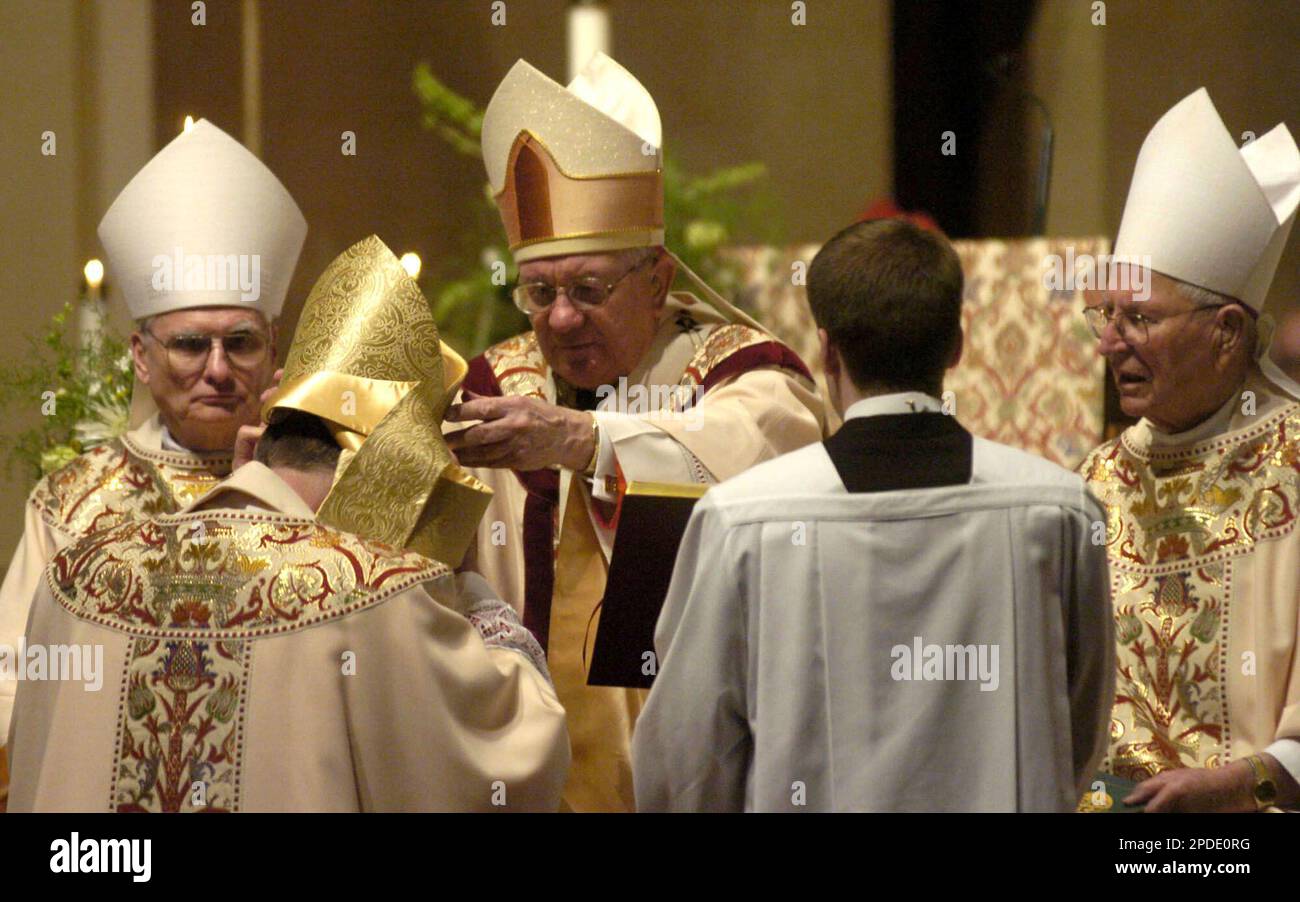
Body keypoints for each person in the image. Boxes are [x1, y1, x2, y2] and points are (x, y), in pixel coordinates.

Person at [4, 236, 568, 812]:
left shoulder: (77, 575)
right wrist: (468, 592)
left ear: (264, 444)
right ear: (384, 473)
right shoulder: (372, 592)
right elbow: (513, 762)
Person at [444, 53, 827, 812]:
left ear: (656, 279)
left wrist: (587, 441)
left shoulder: (738, 370)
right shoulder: (495, 391)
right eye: (539, 291)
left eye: (588, 289)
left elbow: (768, 449)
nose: (559, 317)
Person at [631, 218, 1114, 812]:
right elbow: (1080, 728)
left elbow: (686, 755)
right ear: (957, 343)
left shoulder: (741, 521)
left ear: (827, 349)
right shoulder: (1060, 509)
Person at [0, 119, 305, 803]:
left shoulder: (324, 490)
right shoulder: (75, 504)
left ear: (275, 350)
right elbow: (15, 679)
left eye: (242, 343)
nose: (218, 370)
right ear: (141, 356)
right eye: (191, 344)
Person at [1078, 88, 1300, 812]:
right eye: (1105, 316)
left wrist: (1241, 782)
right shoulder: (1095, 481)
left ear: (1229, 332)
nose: (1111, 344)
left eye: (1139, 318)